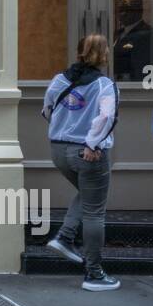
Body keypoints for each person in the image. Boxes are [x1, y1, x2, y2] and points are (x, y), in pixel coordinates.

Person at [41, 33, 121, 291]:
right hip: (88, 154)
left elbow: (47, 110)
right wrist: (92, 143)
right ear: (104, 54)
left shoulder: (59, 80)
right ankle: (94, 273)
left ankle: (64, 237)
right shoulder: (104, 85)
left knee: (87, 196)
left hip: (58, 150)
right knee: (95, 211)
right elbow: (107, 116)